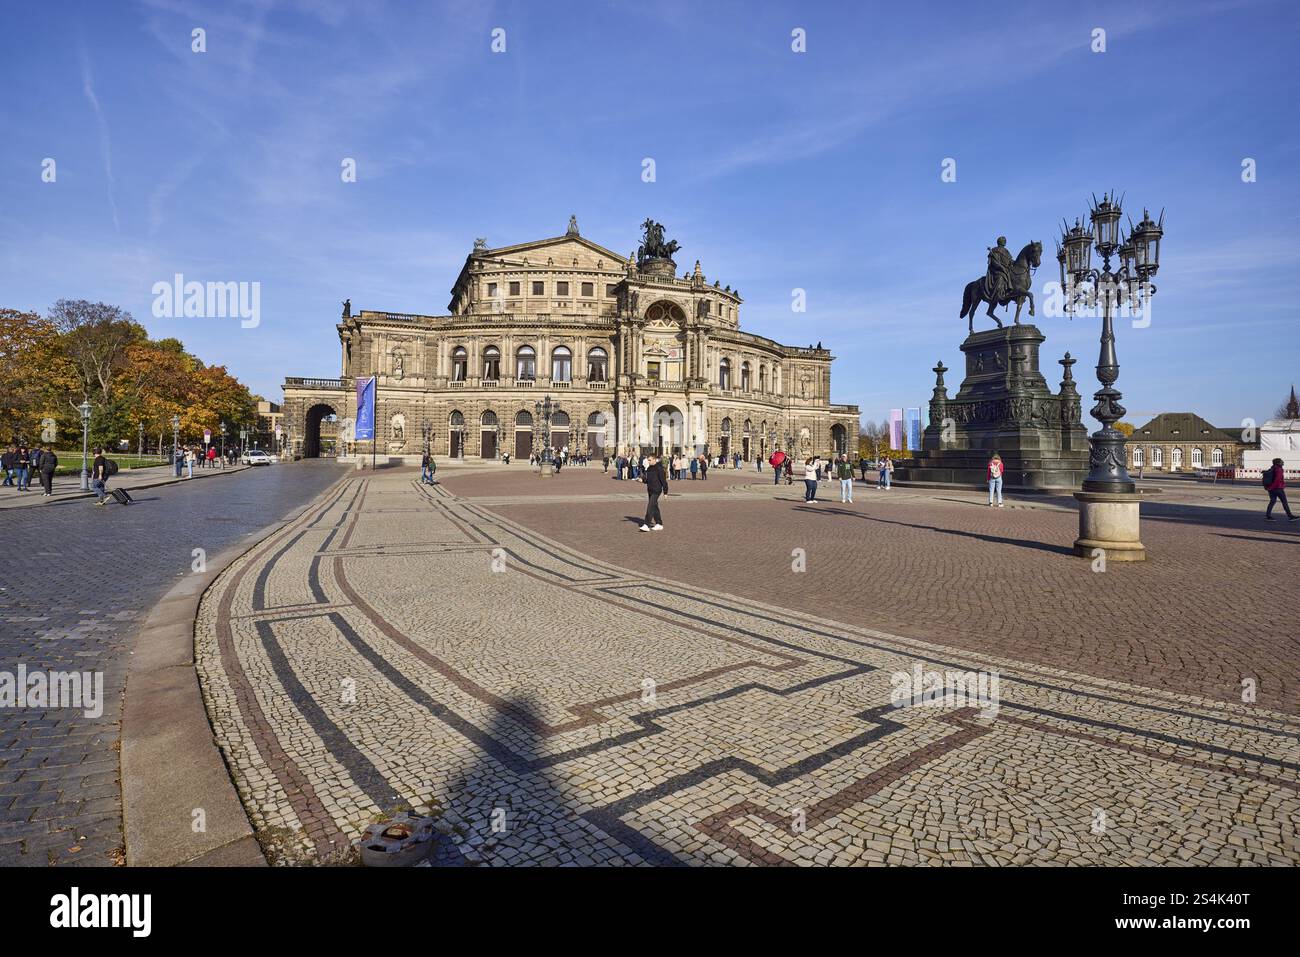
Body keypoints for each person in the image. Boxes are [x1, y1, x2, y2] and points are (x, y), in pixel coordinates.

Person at [639, 453, 667, 532]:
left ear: (654, 459)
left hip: (657, 490)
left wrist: (665, 492)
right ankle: (659, 523)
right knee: (654, 506)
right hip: (650, 489)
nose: (648, 461)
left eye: (650, 460)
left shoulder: (659, 468)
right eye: (648, 460)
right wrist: (642, 480)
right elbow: (648, 480)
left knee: (650, 506)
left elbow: (663, 481)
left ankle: (646, 524)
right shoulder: (649, 468)